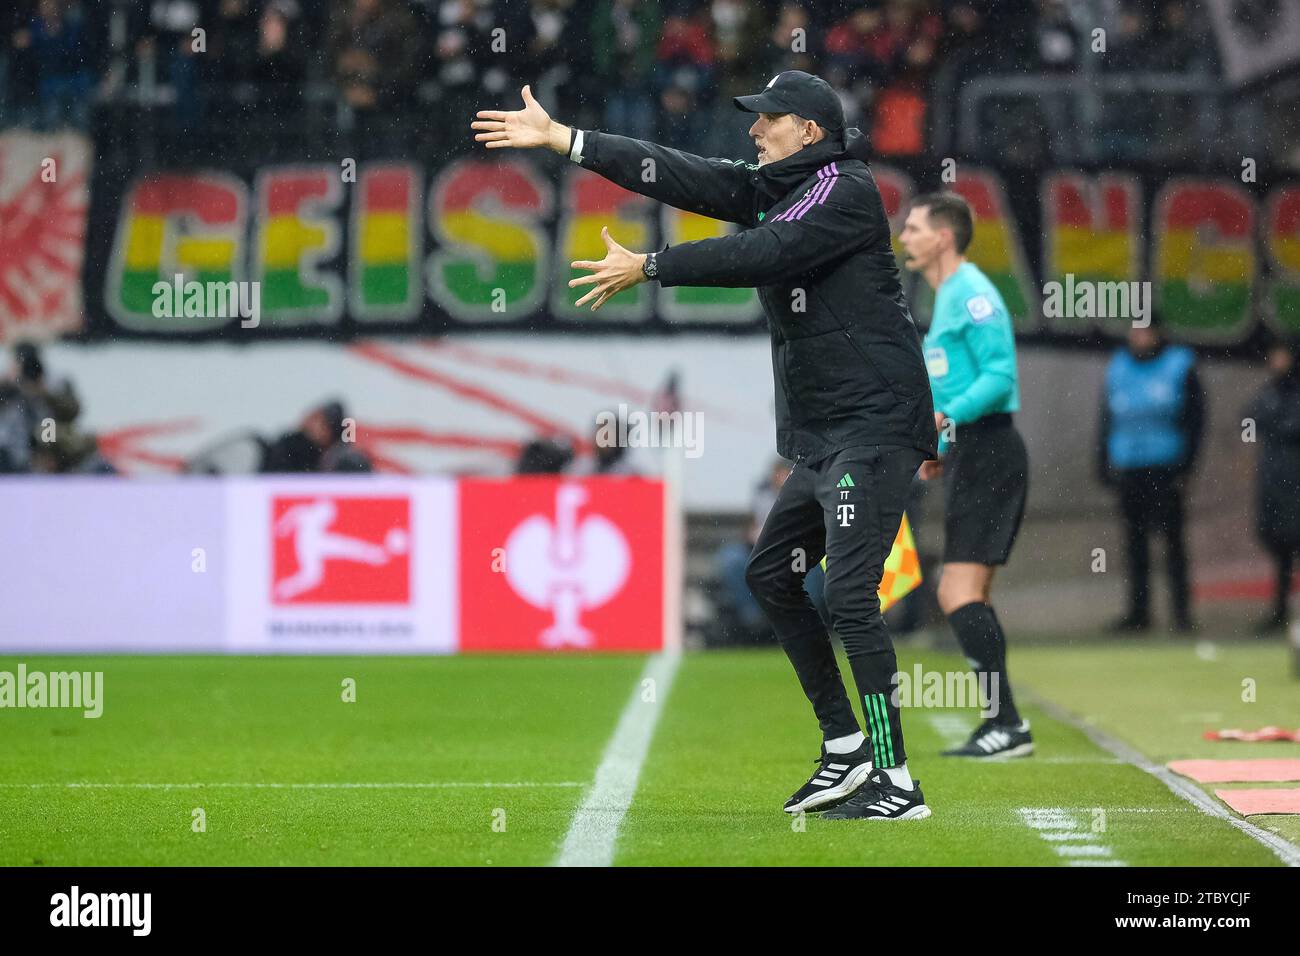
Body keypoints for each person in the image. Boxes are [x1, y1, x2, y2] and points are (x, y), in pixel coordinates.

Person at [471, 71, 938, 821]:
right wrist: (567, 140)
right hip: (830, 436)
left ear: (808, 133)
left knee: (851, 596)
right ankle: (845, 748)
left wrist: (651, 265)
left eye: (769, 120)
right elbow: (681, 175)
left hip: (875, 427)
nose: (754, 131)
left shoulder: (843, 191)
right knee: (772, 575)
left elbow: (763, 253)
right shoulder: (785, 186)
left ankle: (898, 780)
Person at [899, 192, 1032, 759]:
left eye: (913, 228)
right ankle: (1004, 725)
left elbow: (1000, 377)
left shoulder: (973, 294)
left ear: (943, 237)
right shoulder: (949, 294)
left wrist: (949, 418)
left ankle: (1006, 724)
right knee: (970, 593)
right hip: (970, 452)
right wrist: (940, 443)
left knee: (954, 591)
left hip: (991, 452)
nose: (904, 237)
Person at [1098, 318, 1205, 633]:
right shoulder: (1118, 366)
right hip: (1129, 466)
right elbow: (1106, 417)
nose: (1138, 337)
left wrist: (1187, 466)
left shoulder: (1179, 364)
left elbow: (1196, 419)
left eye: (1145, 331)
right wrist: (1102, 462)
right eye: (1134, 331)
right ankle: (1139, 613)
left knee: (1172, 542)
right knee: (1134, 543)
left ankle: (1182, 614)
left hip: (1166, 465)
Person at [1244, 339, 1300, 633]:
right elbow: (1250, 419)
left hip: (1294, 482)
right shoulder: (1270, 392)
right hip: (1276, 482)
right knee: (1280, 548)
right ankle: (1279, 611)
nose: (1276, 361)